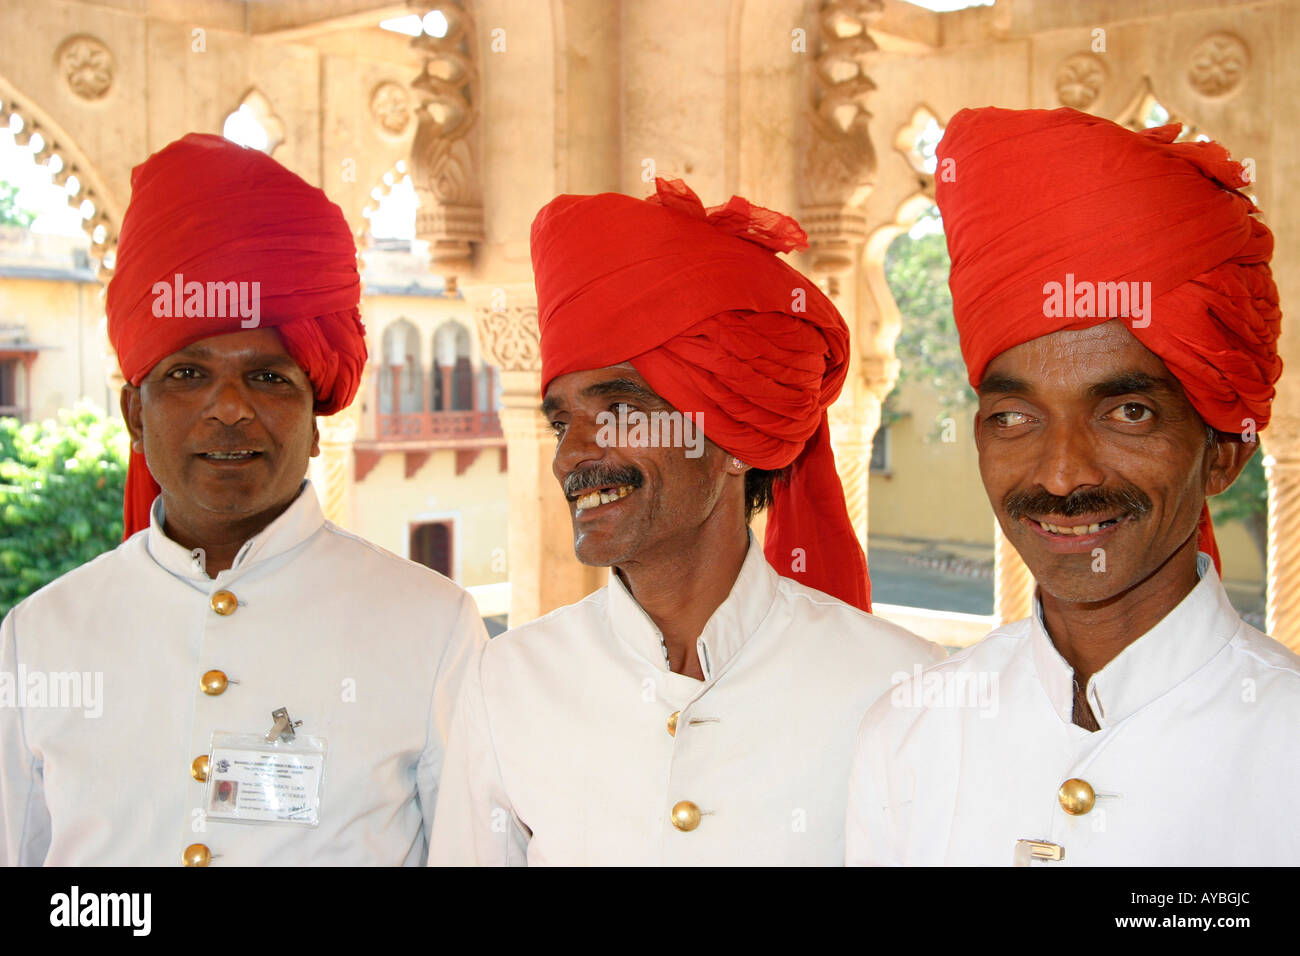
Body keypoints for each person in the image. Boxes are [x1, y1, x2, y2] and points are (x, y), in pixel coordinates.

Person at [0, 133, 486, 866]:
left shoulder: (432, 628)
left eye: (267, 378)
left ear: (317, 419)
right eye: (189, 375)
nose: (228, 409)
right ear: (135, 417)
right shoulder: (42, 637)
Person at [431, 178, 941, 866]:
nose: (572, 456)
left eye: (616, 409)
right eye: (560, 421)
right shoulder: (511, 681)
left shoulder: (899, 687)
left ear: (731, 440)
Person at [846, 107, 1299, 866]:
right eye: (1015, 416)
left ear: (1223, 451)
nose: (1060, 474)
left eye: (1127, 412)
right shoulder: (909, 733)